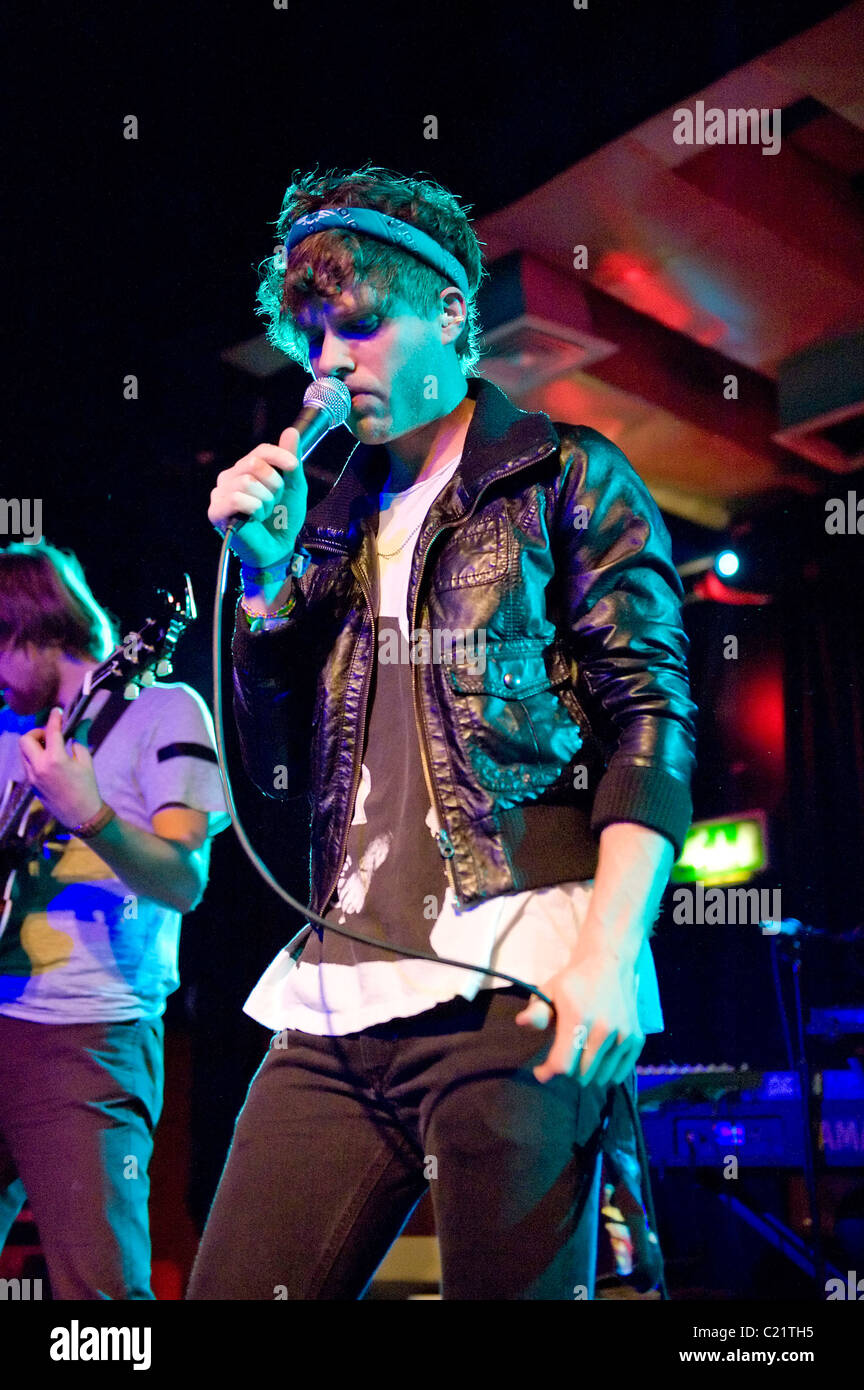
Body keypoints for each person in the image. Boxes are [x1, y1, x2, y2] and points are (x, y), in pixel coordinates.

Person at [190, 165, 697, 1301]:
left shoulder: (563, 475)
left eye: (360, 327)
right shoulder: (322, 531)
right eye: (313, 335)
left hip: (510, 977)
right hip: (336, 997)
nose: (328, 361)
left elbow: (651, 716)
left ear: (453, 314)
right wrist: (267, 585)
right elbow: (271, 764)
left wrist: (611, 953)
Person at [0, 542, 229, 1299]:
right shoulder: (9, 727)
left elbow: (185, 881)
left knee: (97, 1299)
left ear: (29, 631)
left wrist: (89, 814)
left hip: (86, 1039)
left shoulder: (166, 710)